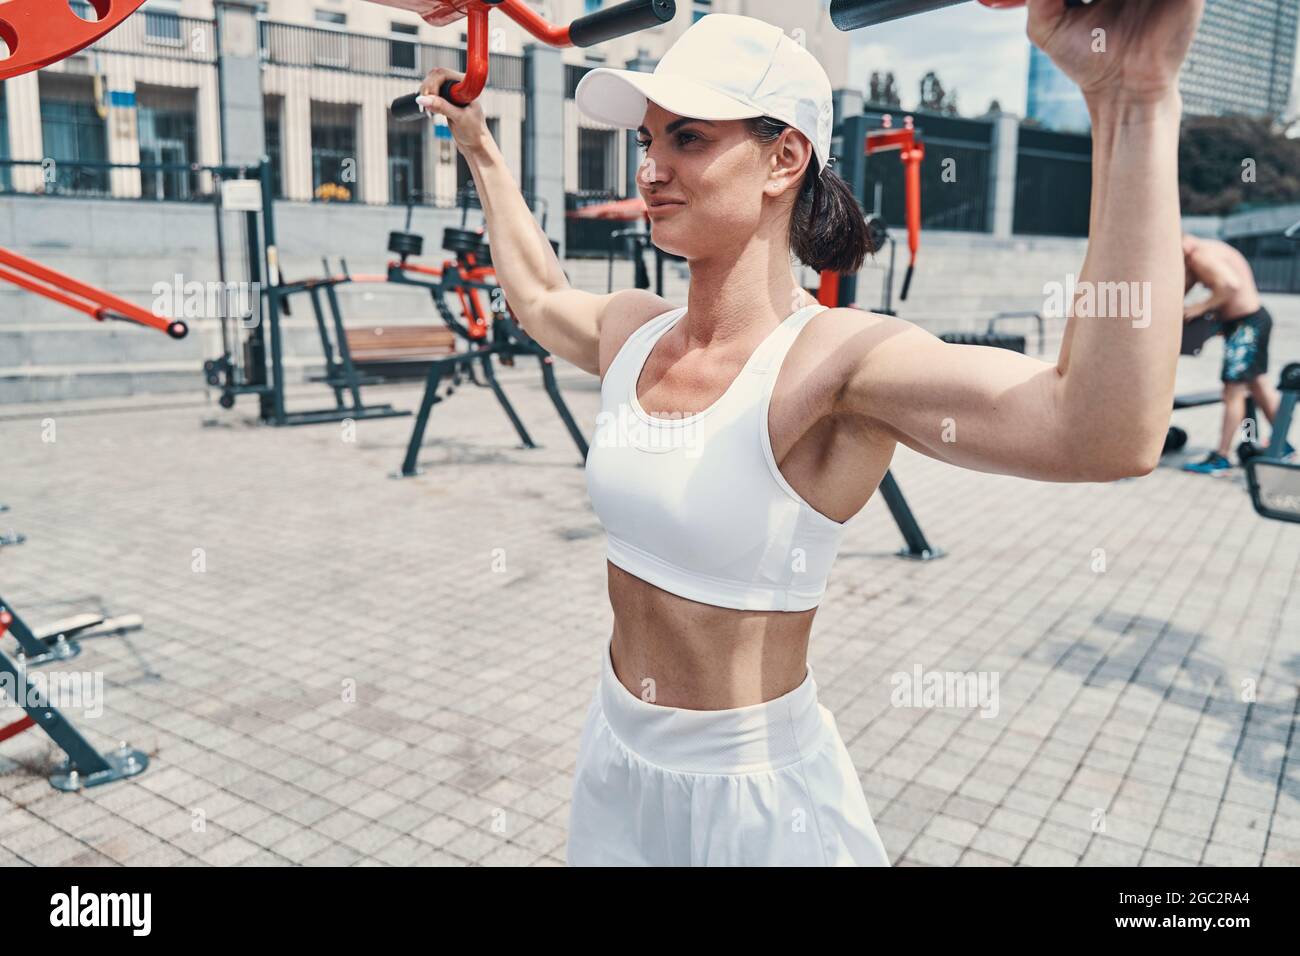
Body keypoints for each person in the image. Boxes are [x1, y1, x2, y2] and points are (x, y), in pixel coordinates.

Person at [413, 2, 1203, 866]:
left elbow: (1098, 433)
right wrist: (480, 146)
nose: (650, 169)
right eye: (648, 141)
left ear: (783, 157)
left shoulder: (836, 363)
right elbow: (535, 297)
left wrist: (1134, 99)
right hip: (615, 759)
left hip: (754, 800)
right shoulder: (635, 332)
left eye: (687, 139)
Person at [1181, 233, 1289, 473]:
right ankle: (1281, 444)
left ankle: (1221, 456)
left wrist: (1200, 307)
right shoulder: (1208, 249)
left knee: (1233, 391)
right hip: (1249, 321)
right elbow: (1189, 286)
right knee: (1256, 387)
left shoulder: (1199, 255)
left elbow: (1230, 285)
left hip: (1246, 326)